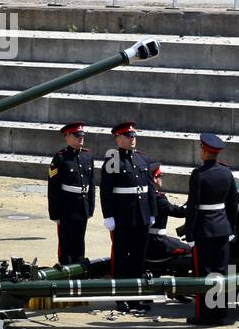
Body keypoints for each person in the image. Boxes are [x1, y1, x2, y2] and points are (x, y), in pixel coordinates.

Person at [184, 132, 239, 326]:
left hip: (204, 230)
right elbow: (233, 203)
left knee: (205, 273)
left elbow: (193, 206)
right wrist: (231, 227)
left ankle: (205, 315)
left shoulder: (199, 174)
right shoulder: (226, 172)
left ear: (204, 150)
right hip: (222, 228)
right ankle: (220, 314)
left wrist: (190, 232)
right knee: (220, 272)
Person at [99, 121, 157, 308]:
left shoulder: (142, 159)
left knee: (138, 259)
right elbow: (106, 191)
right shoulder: (113, 161)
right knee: (122, 258)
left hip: (141, 216)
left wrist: (152, 212)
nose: (133, 139)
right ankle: (121, 297)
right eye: (128, 136)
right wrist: (108, 216)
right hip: (123, 218)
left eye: (134, 136)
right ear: (118, 138)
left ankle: (136, 296)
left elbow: (150, 189)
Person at [47, 121, 95, 265]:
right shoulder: (60, 157)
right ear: (67, 137)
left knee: (80, 243)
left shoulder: (87, 156)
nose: (80, 137)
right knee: (66, 245)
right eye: (76, 135)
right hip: (66, 208)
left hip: (82, 207)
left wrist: (90, 207)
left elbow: (91, 184)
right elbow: (53, 188)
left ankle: (79, 271)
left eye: (82, 135)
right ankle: (66, 272)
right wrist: (55, 213)